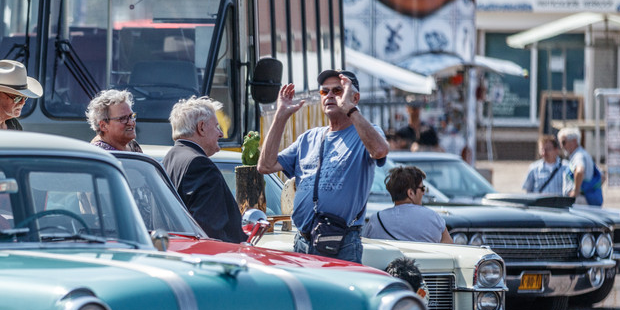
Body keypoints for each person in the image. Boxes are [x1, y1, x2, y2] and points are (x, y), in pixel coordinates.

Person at [258, 69, 389, 262]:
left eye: (337, 91)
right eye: (324, 92)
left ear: (355, 97)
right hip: (303, 241)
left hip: (342, 243)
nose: (329, 96)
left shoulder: (365, 134)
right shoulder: (309, 138)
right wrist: (280, 116)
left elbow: (379, 150)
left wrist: (350, 109)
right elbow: (266, 165)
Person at [162, 96, 245, 243]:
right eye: (216, 127)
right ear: (201, 127)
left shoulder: (169, 158)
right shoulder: (199, 164)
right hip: (208, 258)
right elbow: (209, 231)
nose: (221, 134)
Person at [365, 165, 453, 244]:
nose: (424, 193)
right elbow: (450, 247)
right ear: (410, 193)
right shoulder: (433, 217)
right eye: (422, 188)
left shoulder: (376, 219)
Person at [559, 126, 604, 206]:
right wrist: (590, 189)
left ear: (574, 141)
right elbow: (602, 176)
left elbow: (579, 171)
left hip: (579, 201)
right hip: (587, 199)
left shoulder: (578, 156)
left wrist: (576, 192)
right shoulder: (584, 154)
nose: (562, 146)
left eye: (563, 142)